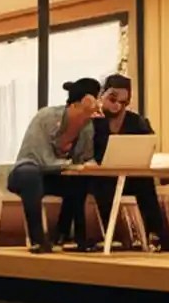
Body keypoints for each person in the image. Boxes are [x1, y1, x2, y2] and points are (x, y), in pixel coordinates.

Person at [6, 78, 102, 254]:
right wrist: (71, 165)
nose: (88, 116)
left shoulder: (87, 127)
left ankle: (74, 237)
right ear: (74, 105)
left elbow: (85, 158)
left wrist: (88, 166)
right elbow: (40, 158)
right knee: (30, 174)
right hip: (26, 172)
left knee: (81, 181)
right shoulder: (46, 117)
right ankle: (38, 240)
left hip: (54, 176)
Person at [89, 74, 169, 252]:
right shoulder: (93, 121)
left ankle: (157, 234)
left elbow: (149, 144)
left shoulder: (136, 121)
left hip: (129, 177)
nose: (117, 106)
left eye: (123, 103)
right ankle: (115, 236)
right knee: (103, 186)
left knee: (144, 183)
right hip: (99, 177)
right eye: (113, 99)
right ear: (103, 95)